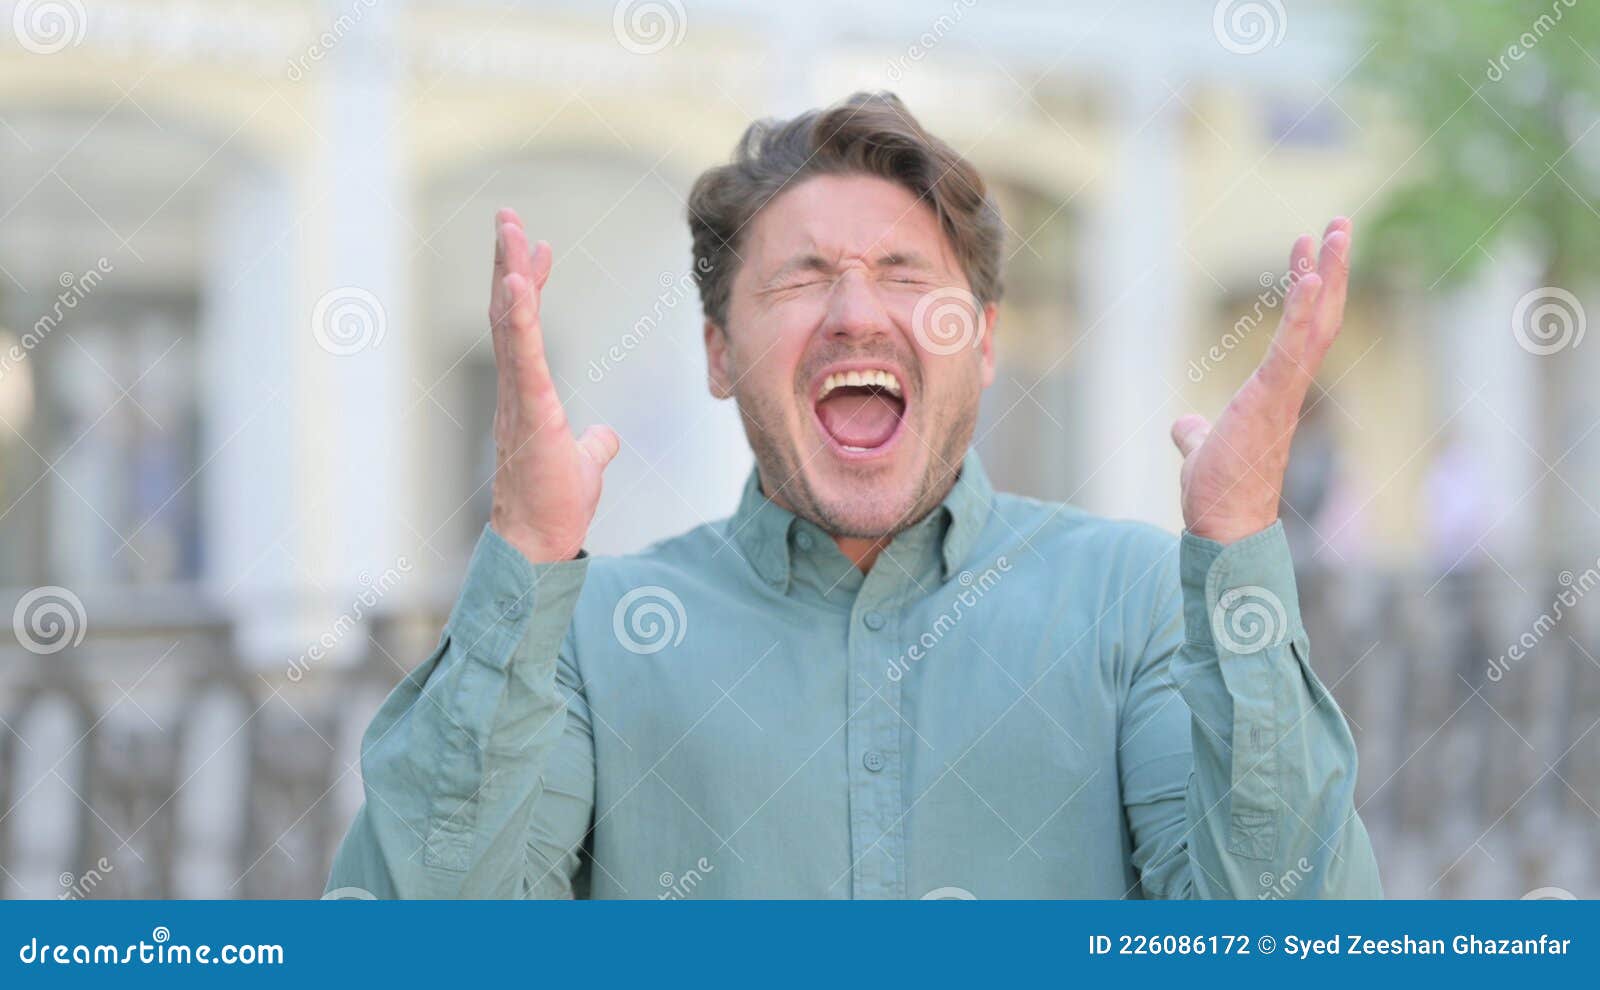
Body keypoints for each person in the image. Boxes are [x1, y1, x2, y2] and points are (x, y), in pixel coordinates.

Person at [326, 92, 1381, 899]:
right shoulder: (591, 637)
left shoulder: (1141, 600)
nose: (854, 312)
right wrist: (522, 550)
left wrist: (1239, 541)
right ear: (718, 354)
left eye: (904, 272)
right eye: (800, 277)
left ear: (983, 343)